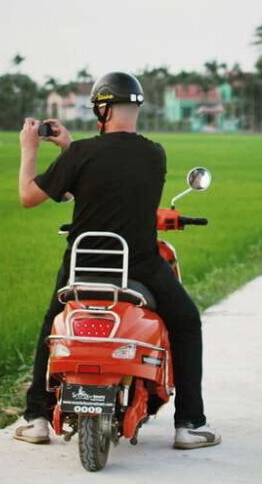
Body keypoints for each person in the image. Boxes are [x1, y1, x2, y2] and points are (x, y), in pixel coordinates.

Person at [14, 71, 220, 450]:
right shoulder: (154, 154)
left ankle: (37, 417)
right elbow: (111, 180)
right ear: (135, 108)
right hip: (138, 265)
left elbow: (33, 195)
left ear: (102, 109)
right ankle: (189, 423)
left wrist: (30, 148)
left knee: (52, 326)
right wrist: (70, 149)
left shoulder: (80, 154)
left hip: (83, 263)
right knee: (186, 321)